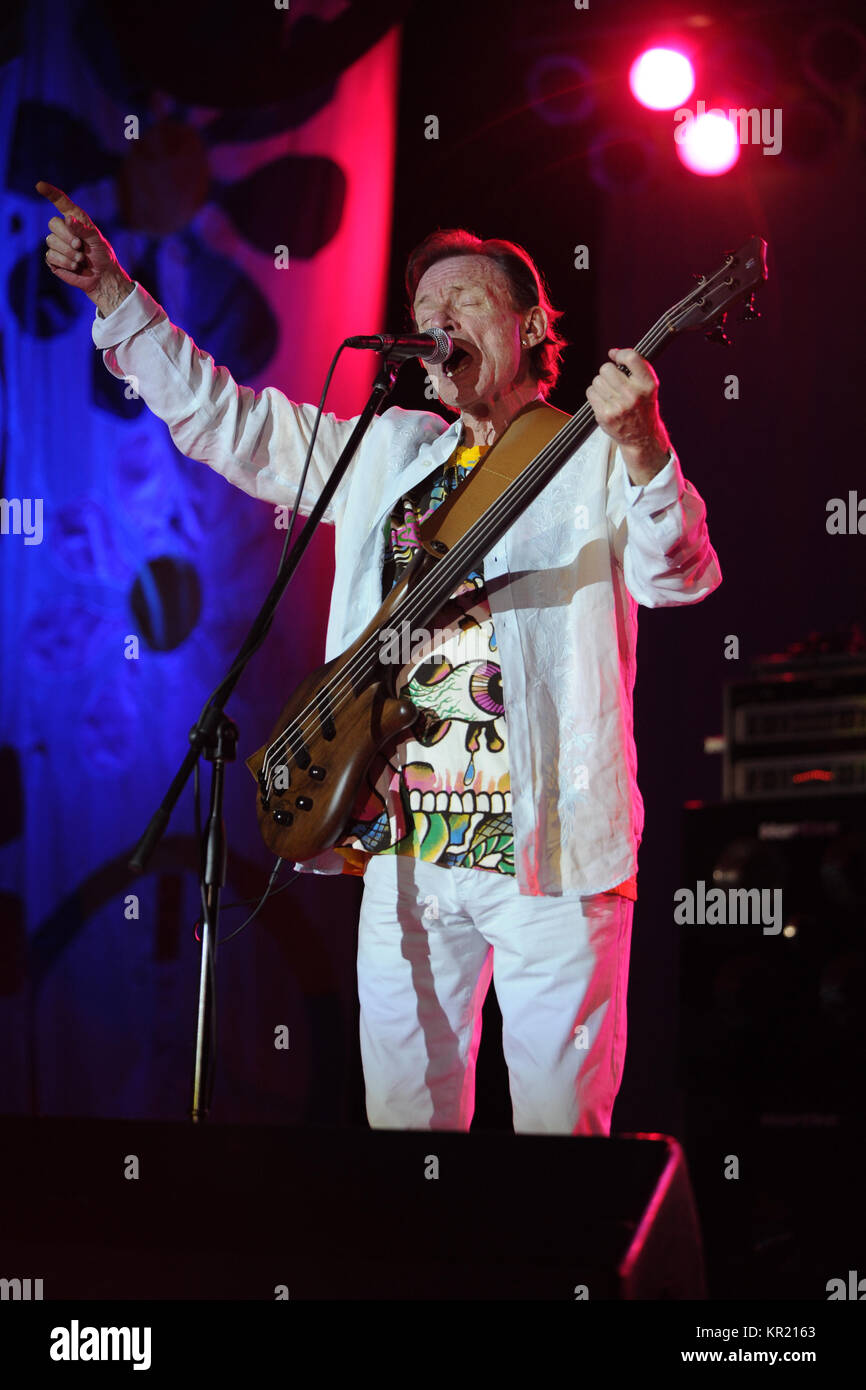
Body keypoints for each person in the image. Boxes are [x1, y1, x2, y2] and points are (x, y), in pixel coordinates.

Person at [38, 180, 722, 1136]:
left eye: (464, 300)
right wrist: (117, 296)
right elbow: (233, 423)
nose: (437, 322)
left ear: (530, 327)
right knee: (404, 1138)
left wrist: (644, 447)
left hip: (552, 849)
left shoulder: (592, 455)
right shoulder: (390, 448)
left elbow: (680, 576)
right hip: (404, 853)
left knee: (559, 1140)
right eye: (424, 308)